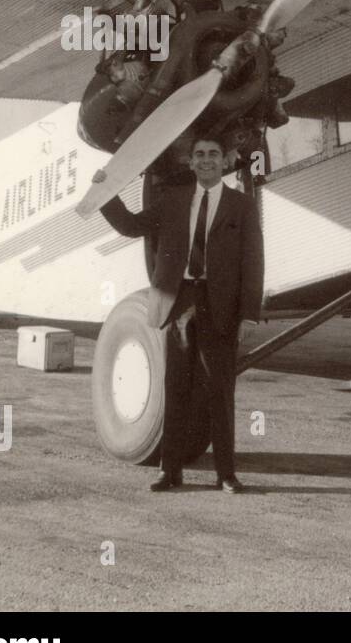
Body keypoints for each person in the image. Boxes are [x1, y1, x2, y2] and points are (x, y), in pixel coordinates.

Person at [92, 137, 263, 493]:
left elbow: (253, 262)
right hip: (180, 302)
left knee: (221, 391)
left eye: (213, 155)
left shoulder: (242, 206)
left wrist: (248, 314)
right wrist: (104, 193)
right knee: (176, 388)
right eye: (199, 155)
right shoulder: (172, 201)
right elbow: (132, 227)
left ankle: (226, 474)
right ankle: (170, 472)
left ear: (225, 161)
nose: (206, 161)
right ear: (191, 162)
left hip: (221, 308)